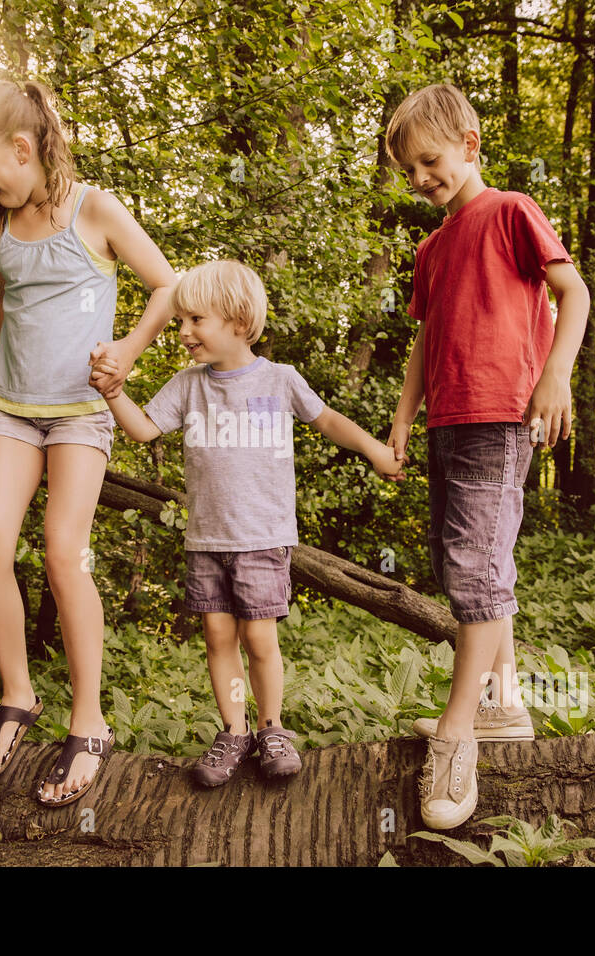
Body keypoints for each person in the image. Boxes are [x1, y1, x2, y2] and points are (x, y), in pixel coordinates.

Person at [0, 78, 177, 806]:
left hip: (80, 413)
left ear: (22, 148)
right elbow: (14, 312)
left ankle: (90, 720)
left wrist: (129, 353)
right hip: (13, 412)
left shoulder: (94, 209)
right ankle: (18, 696)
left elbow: (169, 285)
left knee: (63, 553)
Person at [90, 260, 402, 787]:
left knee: (259, 638)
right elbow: (144, 430)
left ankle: (272, 727)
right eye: (181, 321)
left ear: (237, 320)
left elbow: (325, 420)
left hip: (262, 537)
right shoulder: (188, 385)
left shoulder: (279, 380)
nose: (183, 332)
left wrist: (374, 449)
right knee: (217, 635)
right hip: (207, 539)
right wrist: (113, 392)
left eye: (195, 320)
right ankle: (234, 731)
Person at [384, 83, 590, 829]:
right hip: (448, 420)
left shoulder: (510, 211)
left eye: (430, 161)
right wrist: (404, 416)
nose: (420, 179)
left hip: (502, 413)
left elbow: (575, 292)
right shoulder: (431, 247)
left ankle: (459, 730)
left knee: (475, 566)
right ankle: (504, 705)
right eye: (409, 170)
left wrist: (556, 374)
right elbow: (425, 336)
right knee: (464, 564)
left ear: (470, 144)